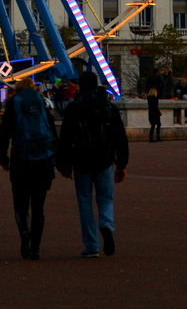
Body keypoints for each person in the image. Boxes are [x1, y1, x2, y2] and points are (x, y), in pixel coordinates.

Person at [57, 72, 130, 259]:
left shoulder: (75, 107)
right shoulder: (107, 106)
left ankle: (91, 245)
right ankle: (106, 224)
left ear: (80, 86)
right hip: (104, 158)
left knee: (84, 202)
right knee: (106, 199)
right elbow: (120, 137)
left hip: (81, 159)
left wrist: (63, 164)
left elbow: (65, 138)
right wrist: (121, 164)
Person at [0, 77, 58, 260]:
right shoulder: (41, 105)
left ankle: (24, 232)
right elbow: (52, 133)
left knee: (21, 204)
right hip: (42, 160)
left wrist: (4, 159)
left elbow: (4, 135)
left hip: (20, 159)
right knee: (38, 207)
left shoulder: (12, 107)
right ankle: (36, 248)